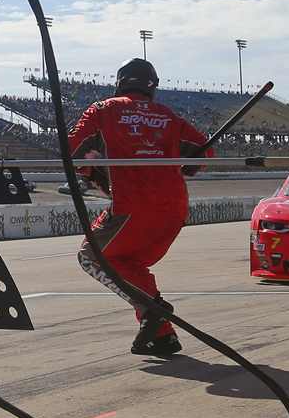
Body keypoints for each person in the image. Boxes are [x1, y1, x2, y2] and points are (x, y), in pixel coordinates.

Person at [68, 58, 211, 358]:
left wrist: (94, 171)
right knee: (127, 263)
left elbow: (72, 149)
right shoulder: (168, 115)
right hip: (175, 208)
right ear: (152, 87)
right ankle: (161, 337)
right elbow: (204, 152)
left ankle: (151, 310)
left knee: (90, 256)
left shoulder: (103, 109)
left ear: (120, 82)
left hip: (132, 206)